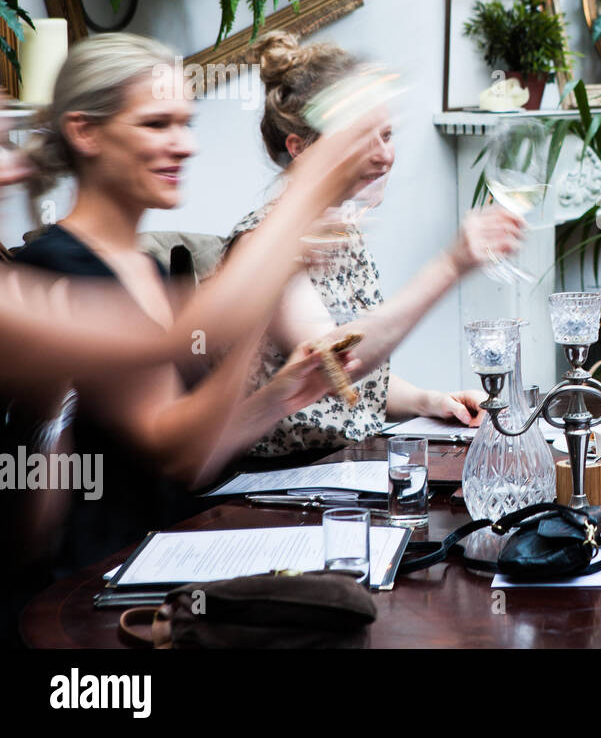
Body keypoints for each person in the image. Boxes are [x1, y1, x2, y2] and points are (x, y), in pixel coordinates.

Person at [5, 33, 382, 583]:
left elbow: (200, 454)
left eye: (186, 124)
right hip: (87, 595)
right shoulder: (57, 265)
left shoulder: (149, 268)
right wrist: (306, 195)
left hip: (162, 564)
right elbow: (174, 449)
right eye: (157, 124)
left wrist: (282, 392)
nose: (185, 145)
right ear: (85, 131)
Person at [225, 32, 525, 457]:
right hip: (271, 487)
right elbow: (335, 362)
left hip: (342, 468)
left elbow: (356, 383)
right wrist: (452, 263)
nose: (384, 156)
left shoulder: (341, 233)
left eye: (386, 135)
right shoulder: (260, 244)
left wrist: (428, 401)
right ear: (300, 149)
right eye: (361, 138)